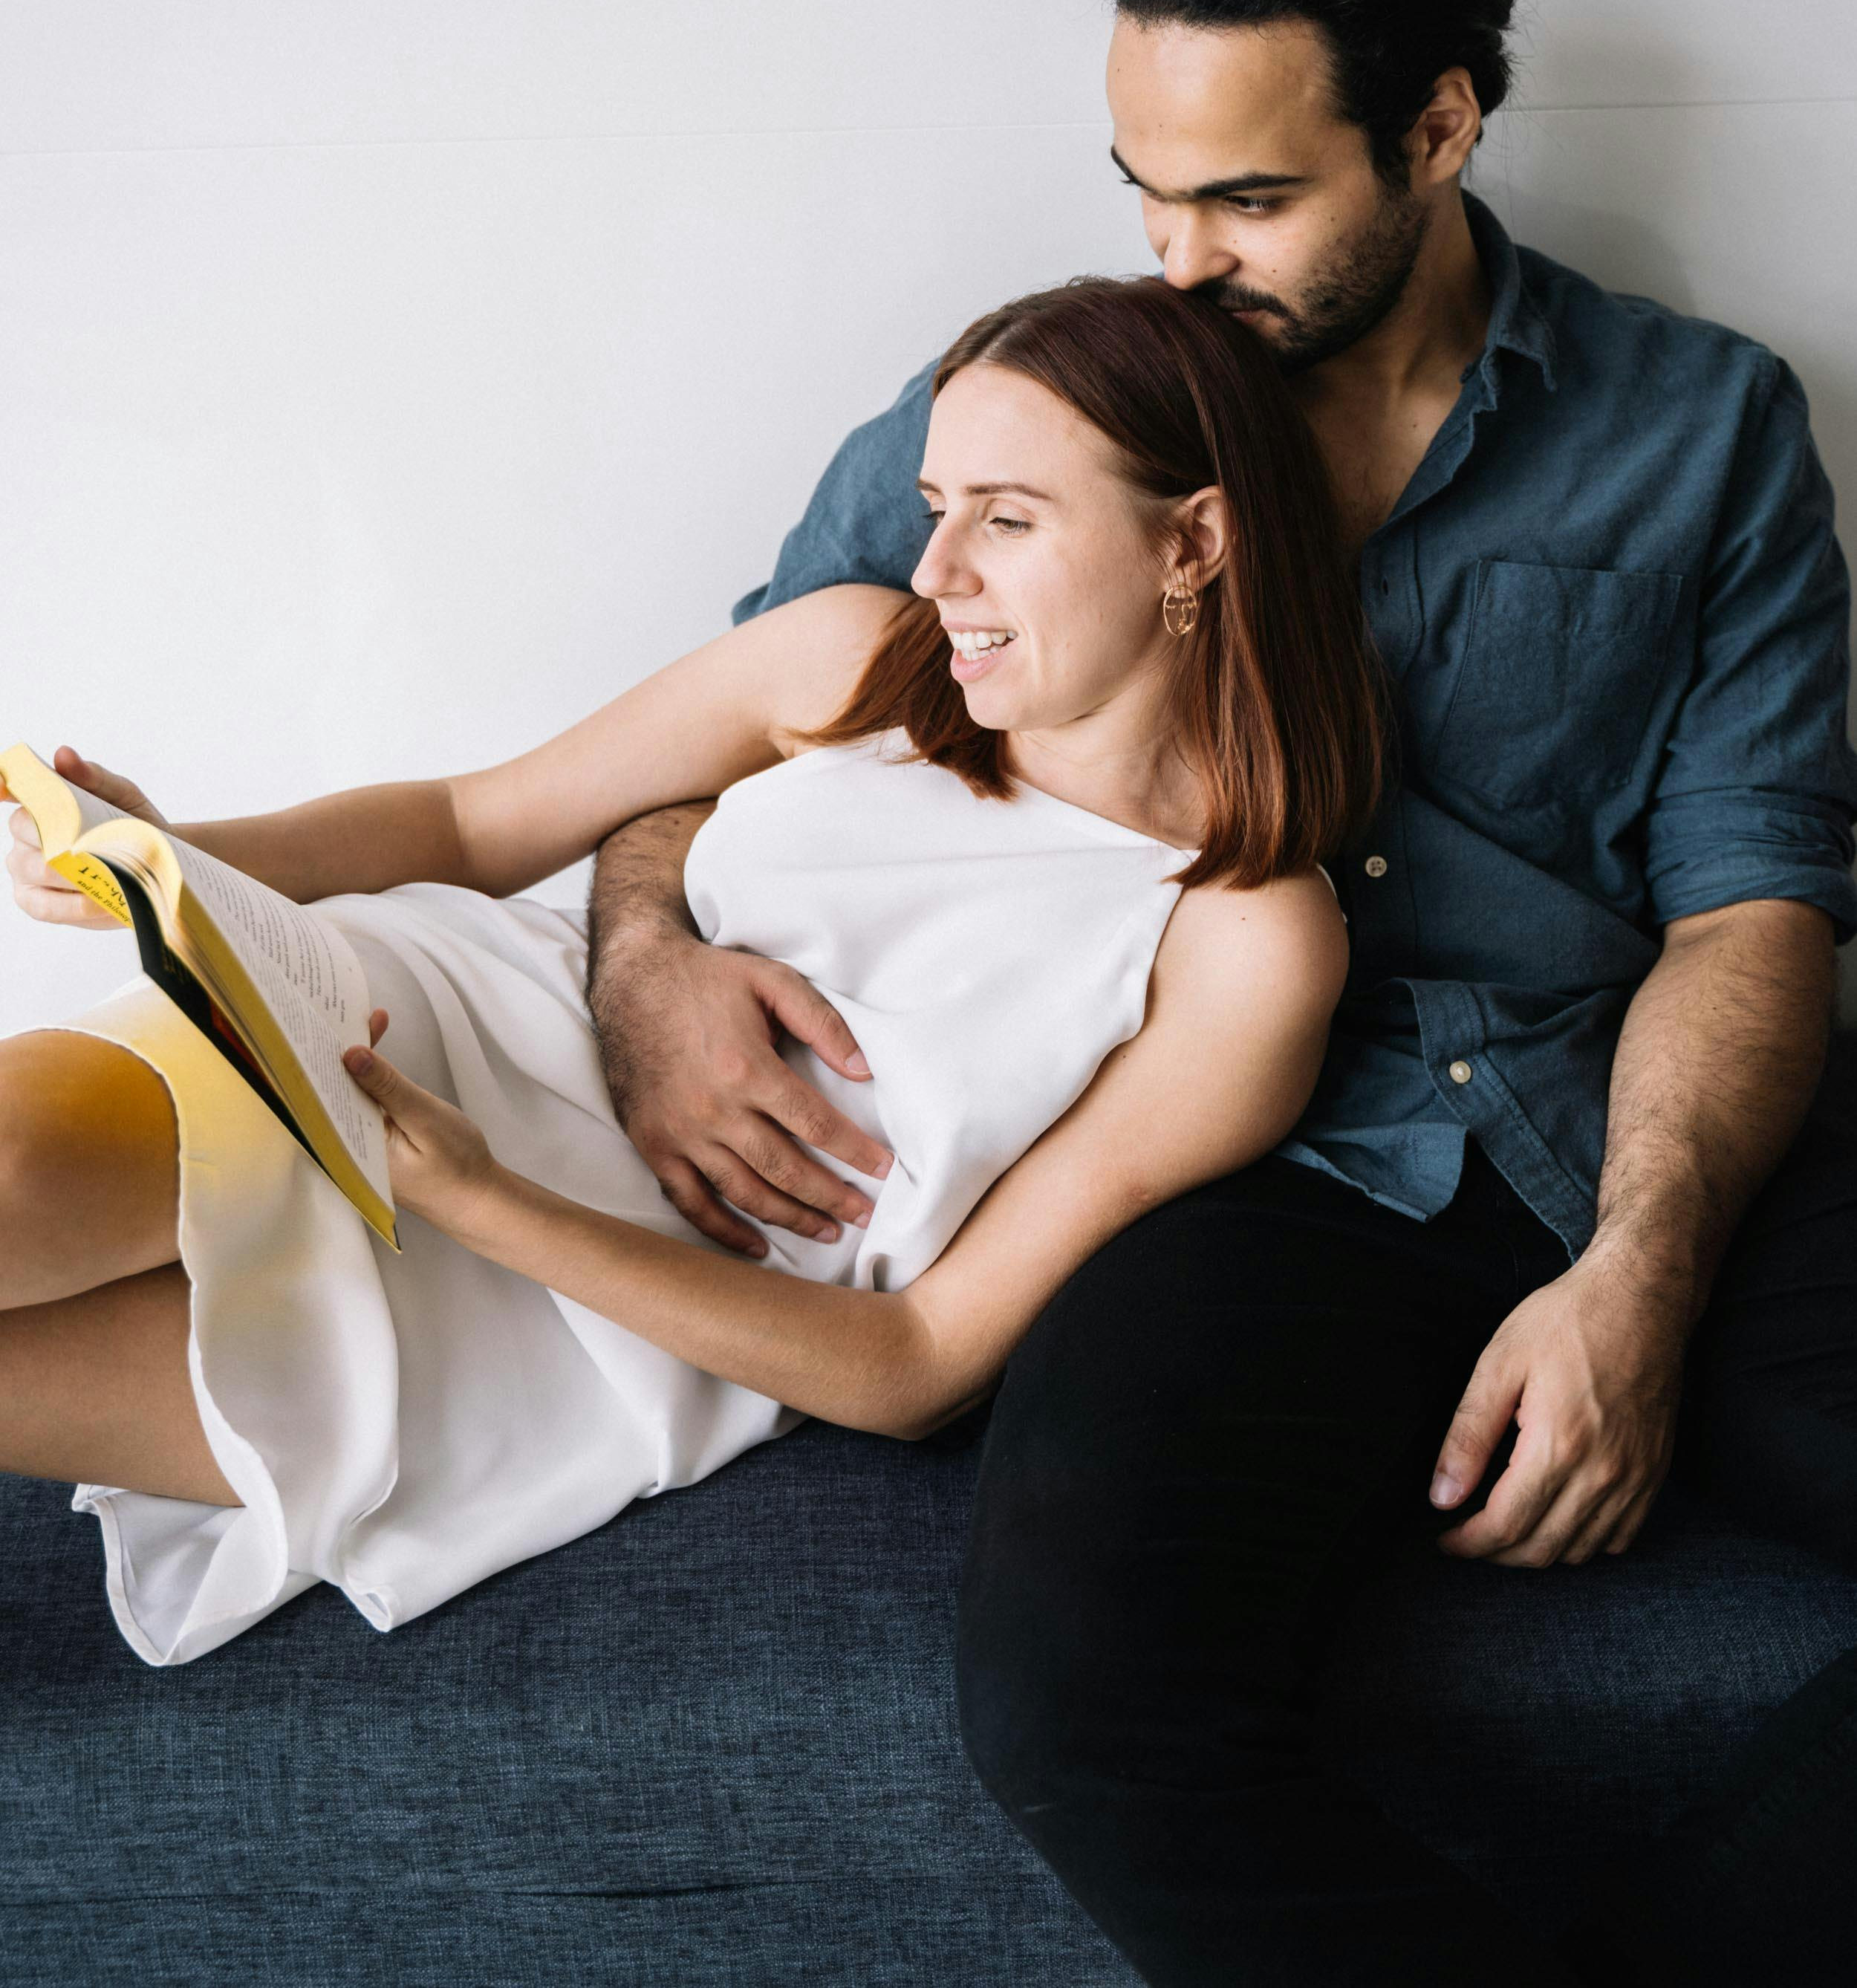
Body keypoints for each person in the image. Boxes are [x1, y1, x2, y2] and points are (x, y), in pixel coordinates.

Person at [581, 0, 1857, 1987]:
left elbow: (1753, 904)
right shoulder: (1044, 404)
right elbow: (707, 737)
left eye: (1250, 199)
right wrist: (648, 966)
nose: (1179, 258)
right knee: (1081, 1703)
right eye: (1145, 189)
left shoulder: (1701, 423)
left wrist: (1638, 1268)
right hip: (1246, 1159)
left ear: (1439, 126)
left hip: (1634, 1100)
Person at [0, 278, 1378, 1676]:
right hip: (429, 1028)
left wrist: (484, 1201)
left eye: (1007, 521)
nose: (936, 571)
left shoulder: (1245, 942)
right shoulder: (852, 657)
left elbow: (911, 1365)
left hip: (579, 1323)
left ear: (1192, 542)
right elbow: (475, 825)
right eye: (936, 508)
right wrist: (172, 853)